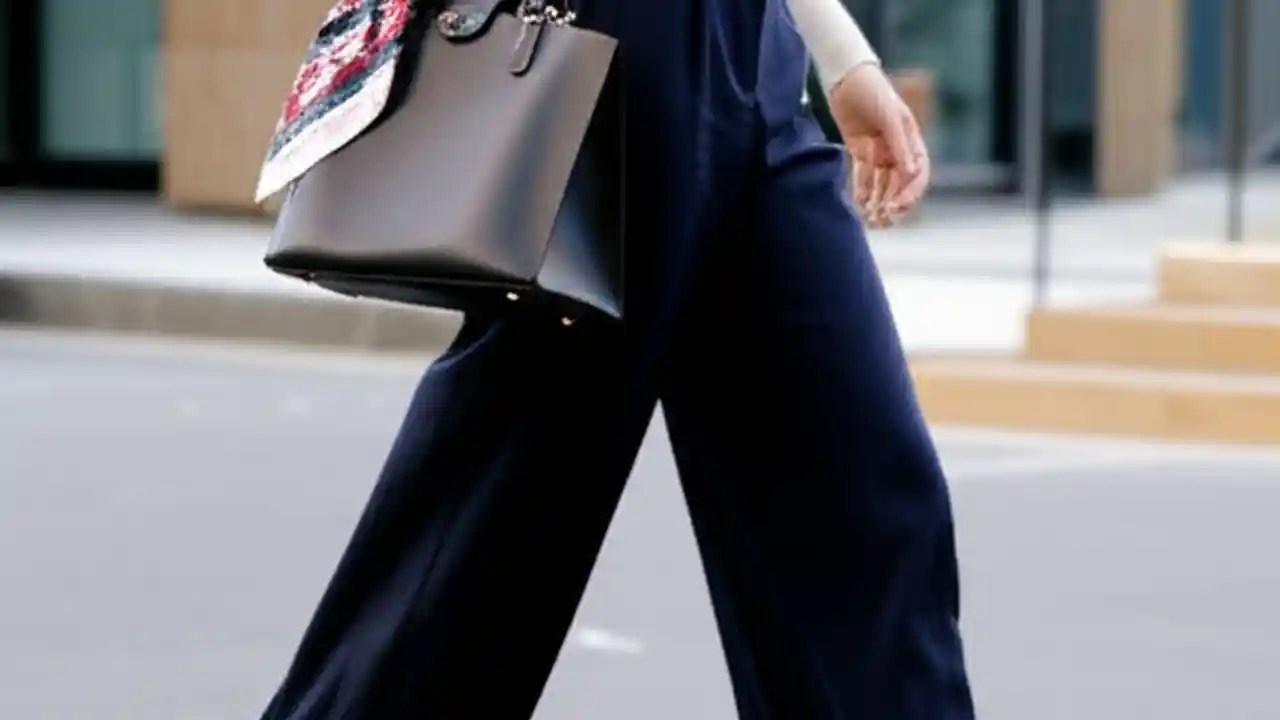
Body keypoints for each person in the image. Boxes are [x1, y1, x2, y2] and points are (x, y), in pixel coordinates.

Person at [259, 0, 975, 717]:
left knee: (860, 496)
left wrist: (841, 55)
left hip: (757, 55)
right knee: (494, 519)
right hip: (617, 45)